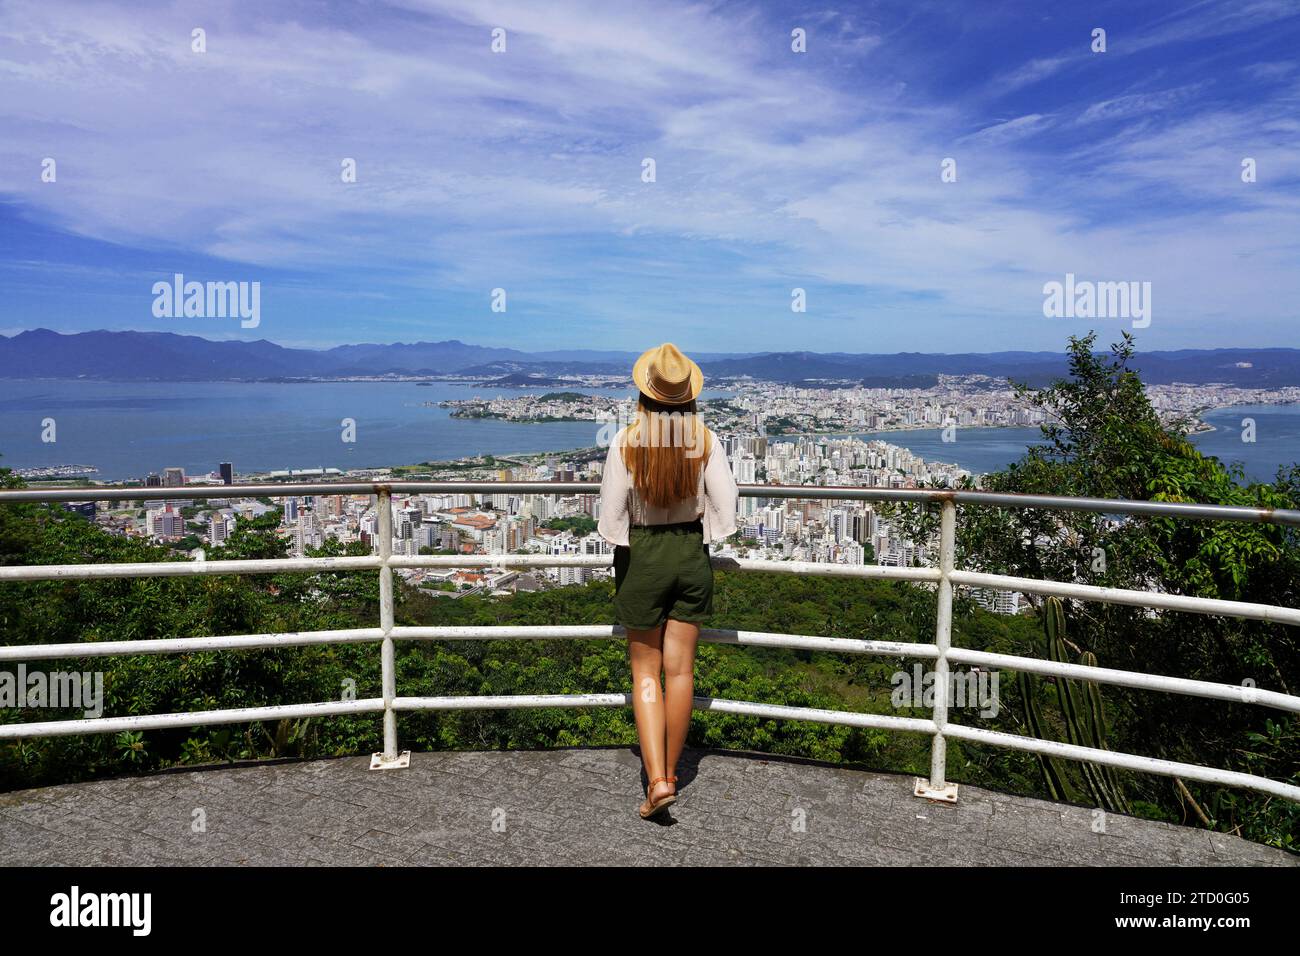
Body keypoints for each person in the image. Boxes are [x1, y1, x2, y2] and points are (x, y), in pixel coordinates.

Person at [597, 342, 739, 818]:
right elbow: (728, 506)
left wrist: (635, 543)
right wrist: (704, 533)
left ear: (645, 395)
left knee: (645, 672)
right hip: (691, 554)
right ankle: (674, 773)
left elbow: (610, 520)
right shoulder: (705, 439)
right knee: (681, 671)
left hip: (644, 555)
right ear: (689, 397)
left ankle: (656, 779)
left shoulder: (627, 441)